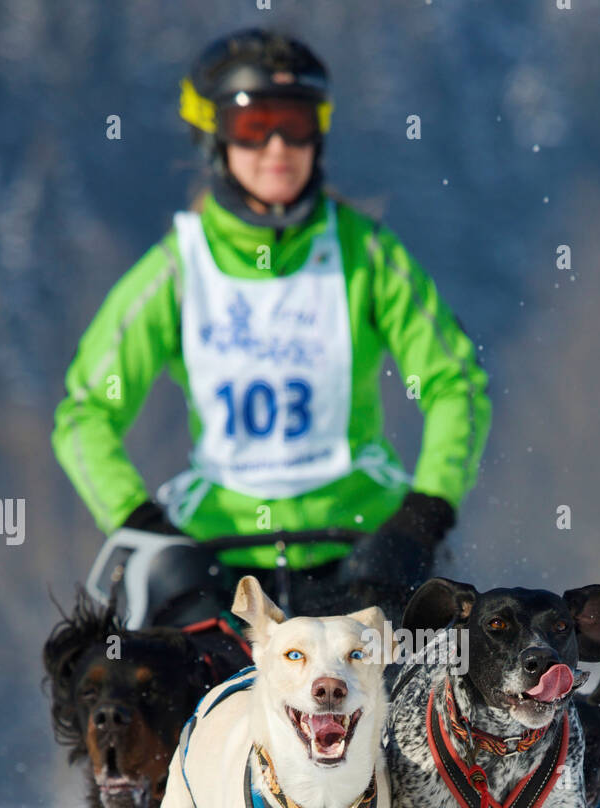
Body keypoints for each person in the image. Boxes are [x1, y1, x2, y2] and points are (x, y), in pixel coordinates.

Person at [52, 27, 491, 626]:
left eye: (297, 123)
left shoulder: (367, 254)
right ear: (213, 139)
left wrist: (425, 509)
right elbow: (85, 414)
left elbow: (454, 383)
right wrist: (140, 523)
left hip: (363, 550)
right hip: (217, 564)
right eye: (253, 127)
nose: (278, 147)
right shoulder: (177, 270)